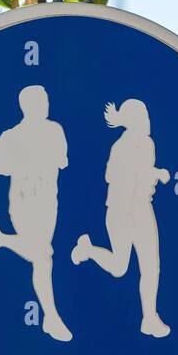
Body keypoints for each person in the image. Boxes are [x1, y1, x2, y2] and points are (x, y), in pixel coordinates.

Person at [71, 99, 171, 337]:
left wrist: (152, 176)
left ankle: (149, 318)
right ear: (134, 120)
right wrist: (155, 174)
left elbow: (143, 177)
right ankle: (87, 250)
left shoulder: (148, 144)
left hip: (142, 209)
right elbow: (117, 177)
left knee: (151, 267)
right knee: (119, 267)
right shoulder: (122, 147)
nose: (148, 120)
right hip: (120, 210)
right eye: (143, 116)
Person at [0, 85, 72, 342]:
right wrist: (18, 163)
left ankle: (1, 239)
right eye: (39, 102)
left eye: (45, 101)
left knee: (41, 256)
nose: (45, 106)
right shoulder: (13, 135)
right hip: (23, 200)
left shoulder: (54, 129)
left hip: (48, 200)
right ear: (27, 106)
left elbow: (62, 160)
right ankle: (52, 318)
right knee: (43, 255)